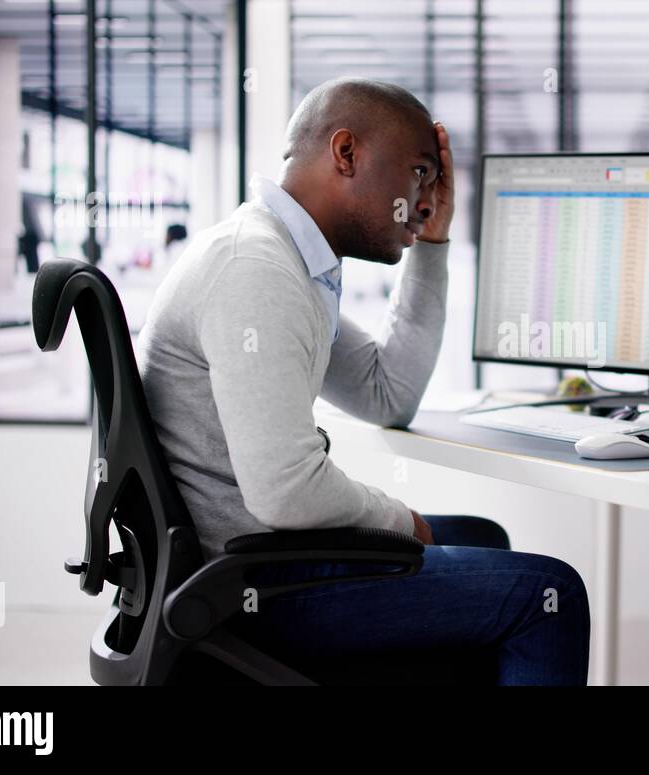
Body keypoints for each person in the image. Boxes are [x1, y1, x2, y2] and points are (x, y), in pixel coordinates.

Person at [135, 78, 589, 685]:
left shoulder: (282, 262)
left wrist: (431, 247)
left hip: (252, 559)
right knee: (549, 595)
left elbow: (387, 395)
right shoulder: (257, 270)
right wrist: (398, 518)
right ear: (346, 154)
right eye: (418, 173)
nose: (425, 200)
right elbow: (285, 491)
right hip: (254, 586)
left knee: (485, 539)